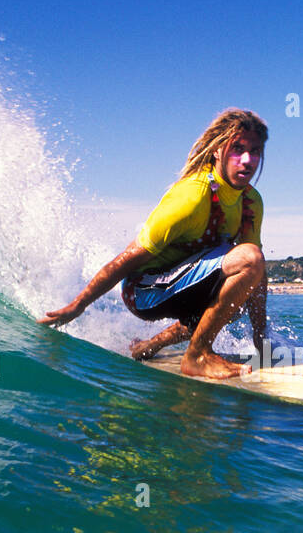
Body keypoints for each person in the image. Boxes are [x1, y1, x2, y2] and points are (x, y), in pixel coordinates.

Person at [38, 109, 269, 379]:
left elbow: (257, 277)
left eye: (254, 151)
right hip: (143, 292)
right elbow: (128, 258)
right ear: (217, 150)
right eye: (237, 148)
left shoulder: (251, 201)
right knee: (249, 259)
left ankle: (150, 346)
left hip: (184, 284)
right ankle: (198, 356)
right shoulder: (192, 196)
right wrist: (78, 305)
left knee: (241, 289)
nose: (247, 160)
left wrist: (260, 339)